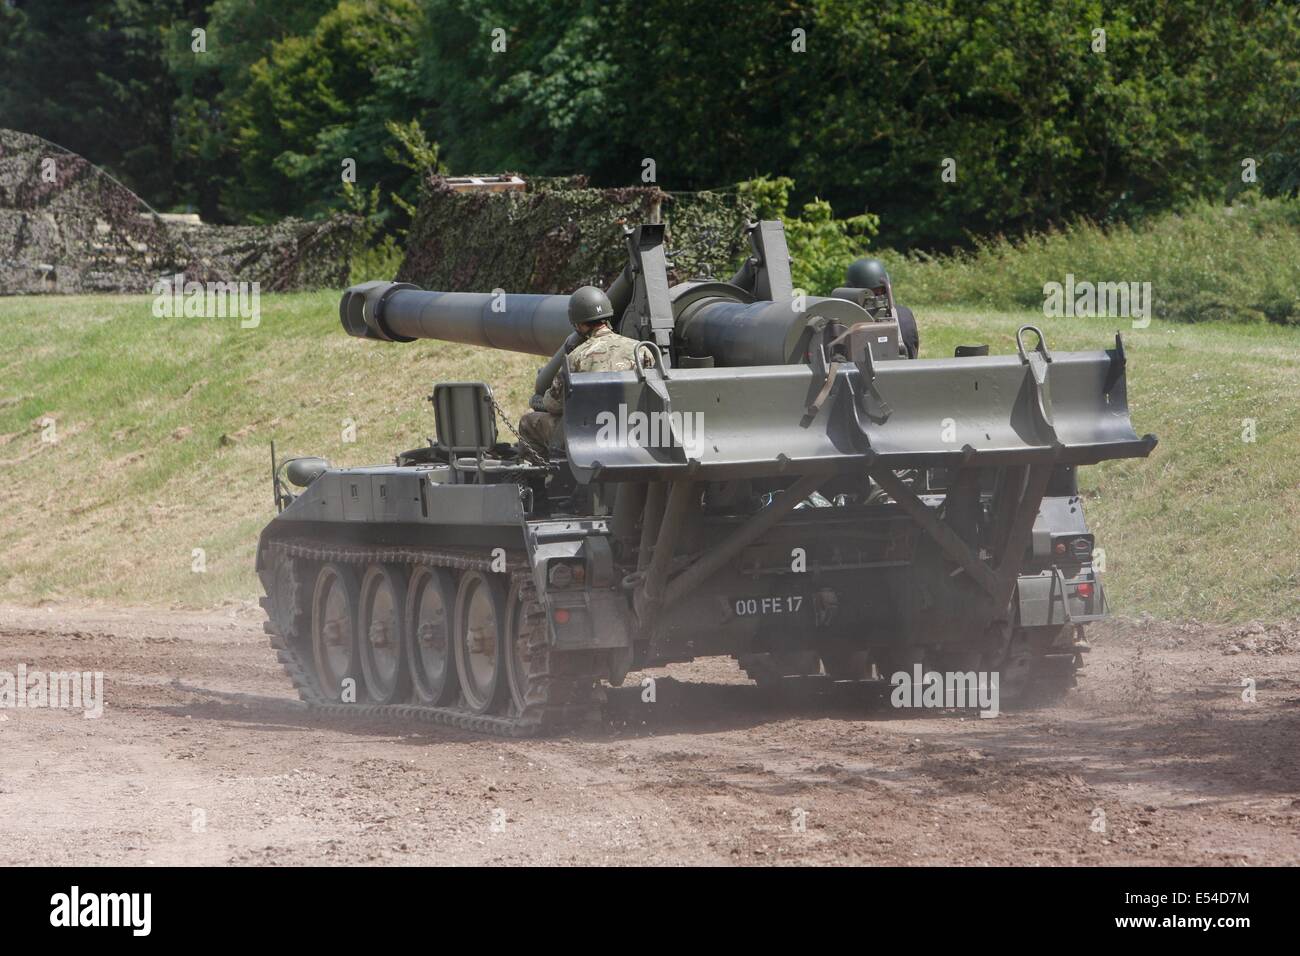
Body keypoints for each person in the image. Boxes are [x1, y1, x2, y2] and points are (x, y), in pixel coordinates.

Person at [518, 285, 644, 460]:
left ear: (578, 324)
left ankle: (541, 481)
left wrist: (539, 401)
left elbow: (555, 405)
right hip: (635, 429)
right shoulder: (641, 350)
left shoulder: (577, 357)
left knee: (528, 423)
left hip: (587, 434)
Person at [845, 257, 920, 359]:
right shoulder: (903, 315)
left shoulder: (844, 318)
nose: (878, 296)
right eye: (874, 292)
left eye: (882, 292)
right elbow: (912, 355)